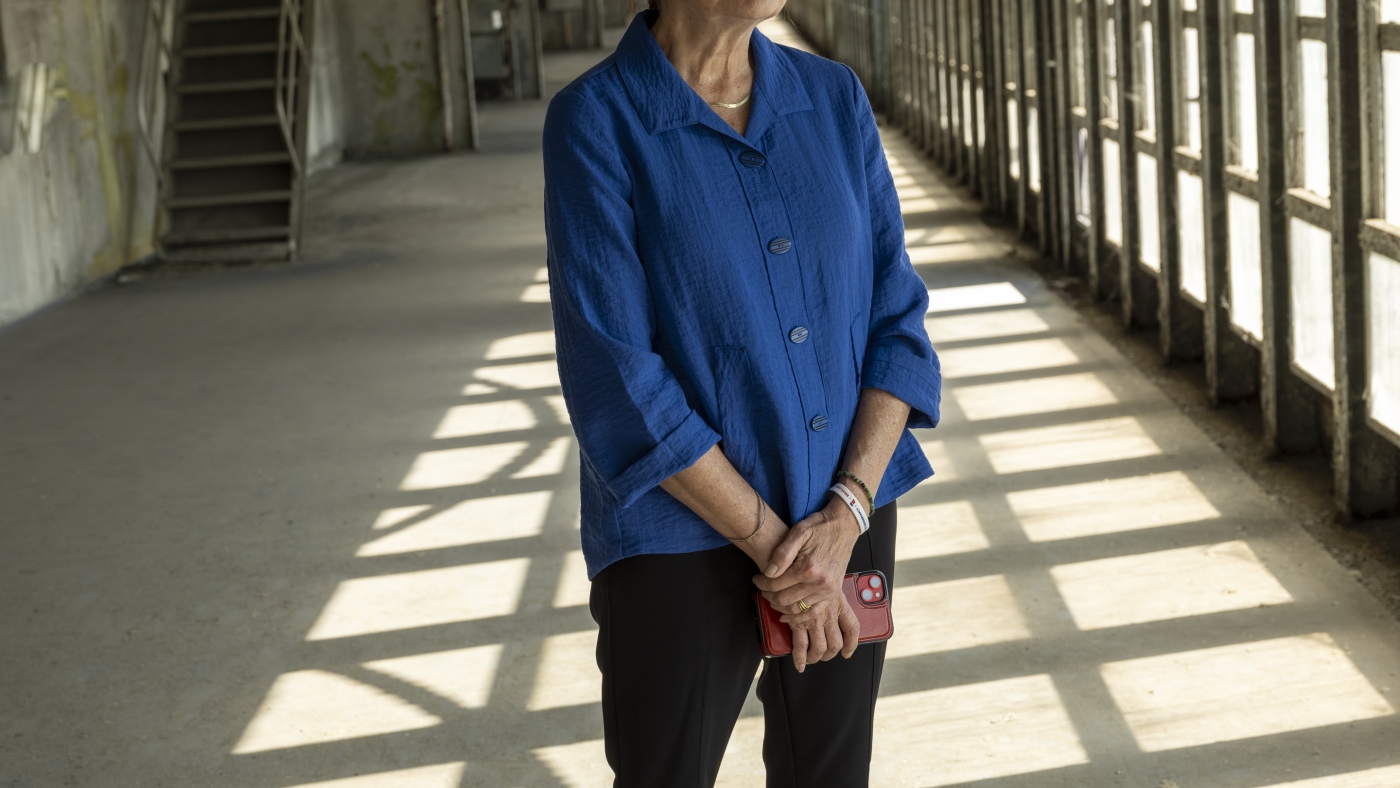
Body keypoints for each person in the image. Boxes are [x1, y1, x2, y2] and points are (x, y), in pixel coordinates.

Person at [541, 0, 941, 783]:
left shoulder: (833, 97)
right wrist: (787, 559)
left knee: (827, 773)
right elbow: (618, 378)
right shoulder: (594, 121)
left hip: (843, 512)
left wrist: (845, 515)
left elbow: (897, 319)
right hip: (680, 527)